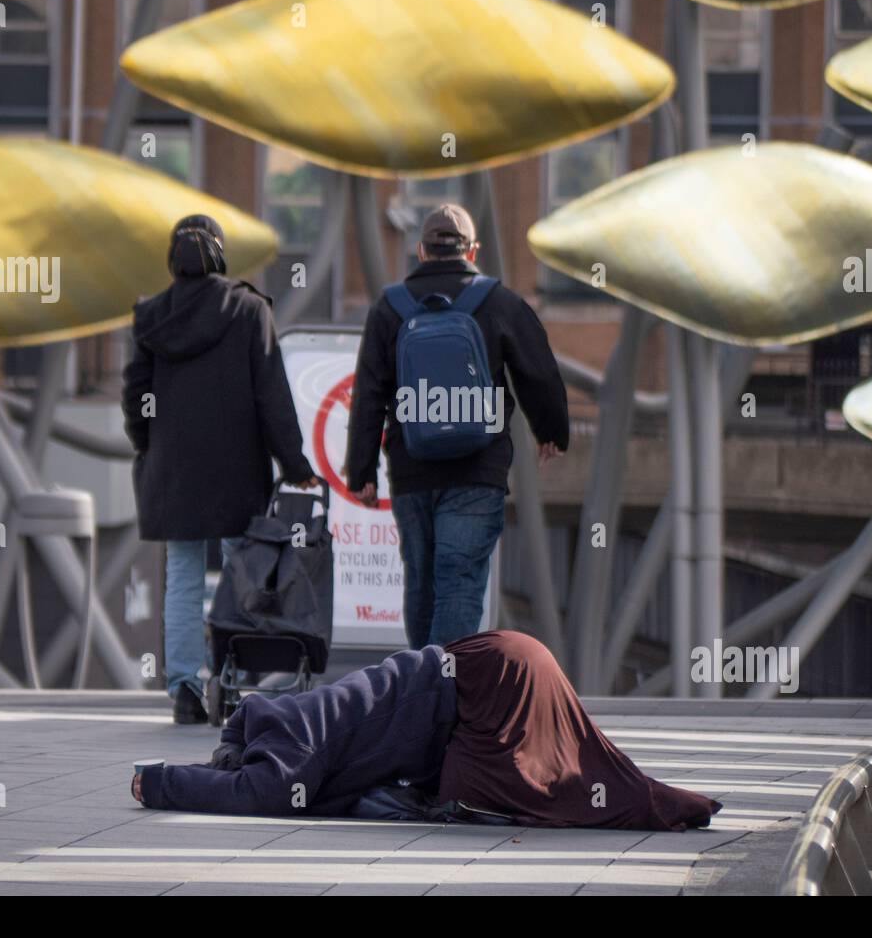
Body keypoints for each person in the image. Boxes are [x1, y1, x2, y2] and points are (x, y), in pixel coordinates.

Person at [132, 630, 721, 832]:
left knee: (521, 786)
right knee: (573, 757)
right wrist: (228, 752)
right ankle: (672, 802)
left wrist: (159, 783)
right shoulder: (278, 713)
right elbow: (241, 720)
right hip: (480, 662)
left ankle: (669, 804)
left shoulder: (298, 748)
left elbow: (255, 793)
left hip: (481, 680)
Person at [344, 203, 569, 649]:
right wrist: (551, 431)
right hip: (477, 467)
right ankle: (448, 689)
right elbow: (539, 371)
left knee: (421, 580)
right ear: (473, 250)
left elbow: (369, 392)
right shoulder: (501, 302)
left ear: (421, 251)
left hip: (412, 467)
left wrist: (362, 471)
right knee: (460, 578)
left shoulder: (389, 309)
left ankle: (424, 687)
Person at [123, 215, 317, 724]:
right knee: (241, 573)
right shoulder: (249, 310)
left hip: (174, 472)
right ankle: (231, 679)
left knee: (183, 577)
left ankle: (185, 690)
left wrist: (150, 446)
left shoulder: (151, 317)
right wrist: (295, 466)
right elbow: (271, 396)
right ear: (221, 254)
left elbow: (136, 397)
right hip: (237, 469)